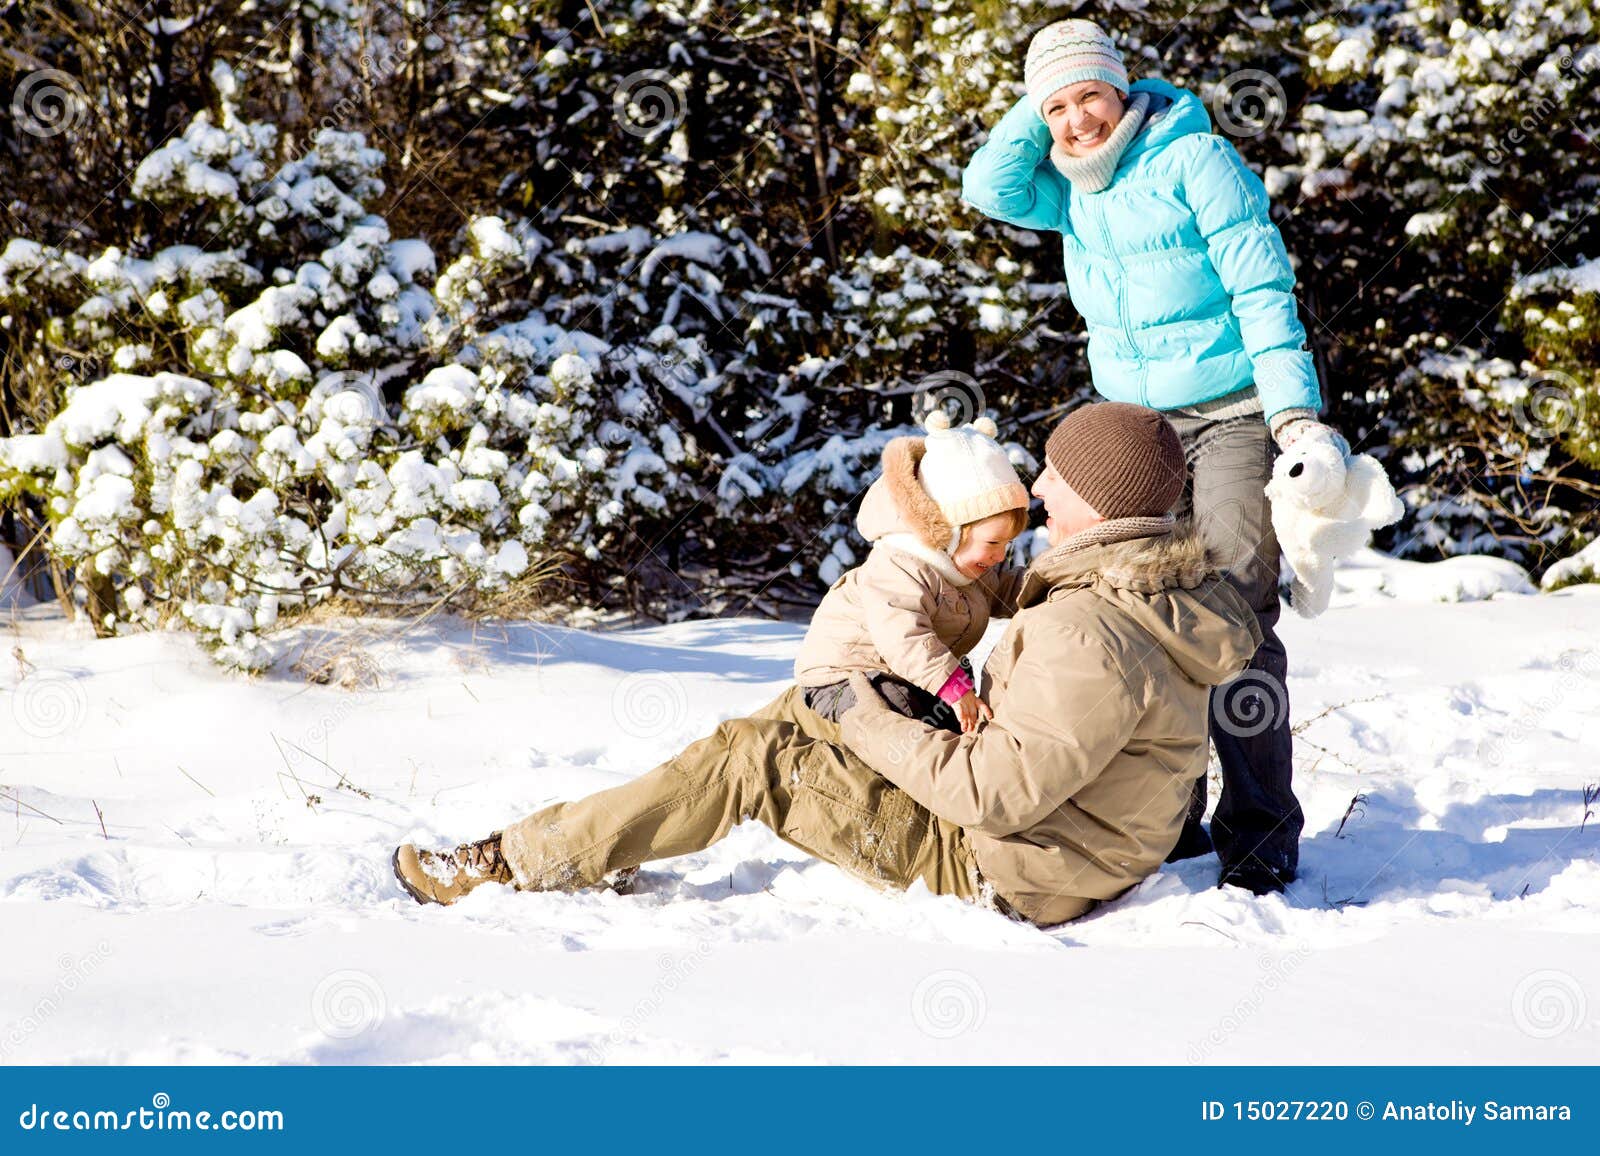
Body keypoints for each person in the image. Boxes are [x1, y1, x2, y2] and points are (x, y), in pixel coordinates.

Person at [392, 403, 1261, 926]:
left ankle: (514, 865)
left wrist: (857, 714)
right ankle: (588, 843)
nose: (1037, 491)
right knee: (784, 718)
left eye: (1058, 478)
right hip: (1074, 850)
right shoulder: (1154, 597)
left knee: (754, 755)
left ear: (1099, 503)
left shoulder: (1088, 630)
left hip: (1006, 869)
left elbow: (992, 796)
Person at [960, 18, 1349, 894]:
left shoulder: (1192, 156)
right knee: (1142, 612)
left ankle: (1259, 834)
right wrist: (1044, 109)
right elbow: (986, 186)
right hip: (1141, 430)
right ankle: (1166, 820)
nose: (1076, 121)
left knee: (1232, 611)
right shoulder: (1067, 187)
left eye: (1090, 95)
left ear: (1124, 87)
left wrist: (1293, 416)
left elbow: (1260, 283)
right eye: (1055, 108)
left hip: (1235, 414)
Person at [794, 411, 1029, 735]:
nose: (1000, 555)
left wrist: (1049, 587)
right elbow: (904, 637)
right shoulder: (899, 565)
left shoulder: (972, 565)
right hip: (845, 677)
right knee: (901, 720)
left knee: (951, 716)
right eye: (992, 542)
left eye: (1007, 543)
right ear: (952, 532)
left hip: (905, 673)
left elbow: (1013, 587)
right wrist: (955, 688)